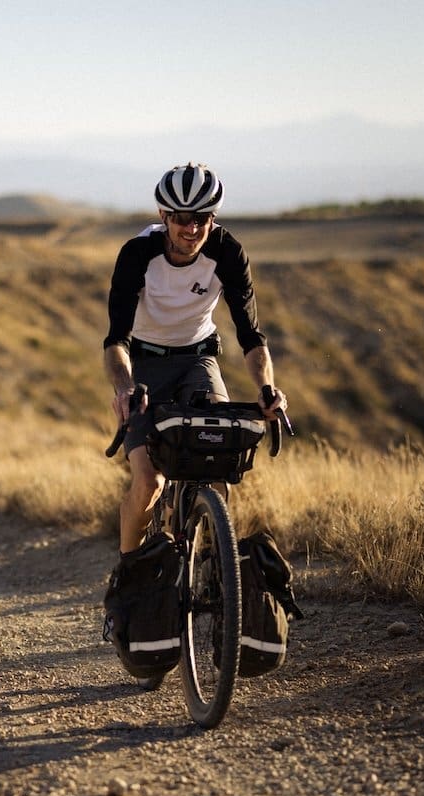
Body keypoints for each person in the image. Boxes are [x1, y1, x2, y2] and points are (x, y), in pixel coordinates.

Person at [103, 162, 288, 560]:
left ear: (213, 217)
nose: (192, 228)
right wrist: (125, 389)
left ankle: (208, 571)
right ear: (163, 216)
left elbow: (251, 336)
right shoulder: (138, 253)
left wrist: (266, 389)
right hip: (144, 365)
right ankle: (128, 574)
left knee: (216, 464)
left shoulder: (227, 252)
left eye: (202, 218)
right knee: (150, 483)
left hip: (198, 360)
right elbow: (116, 341)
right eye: (181, 218)